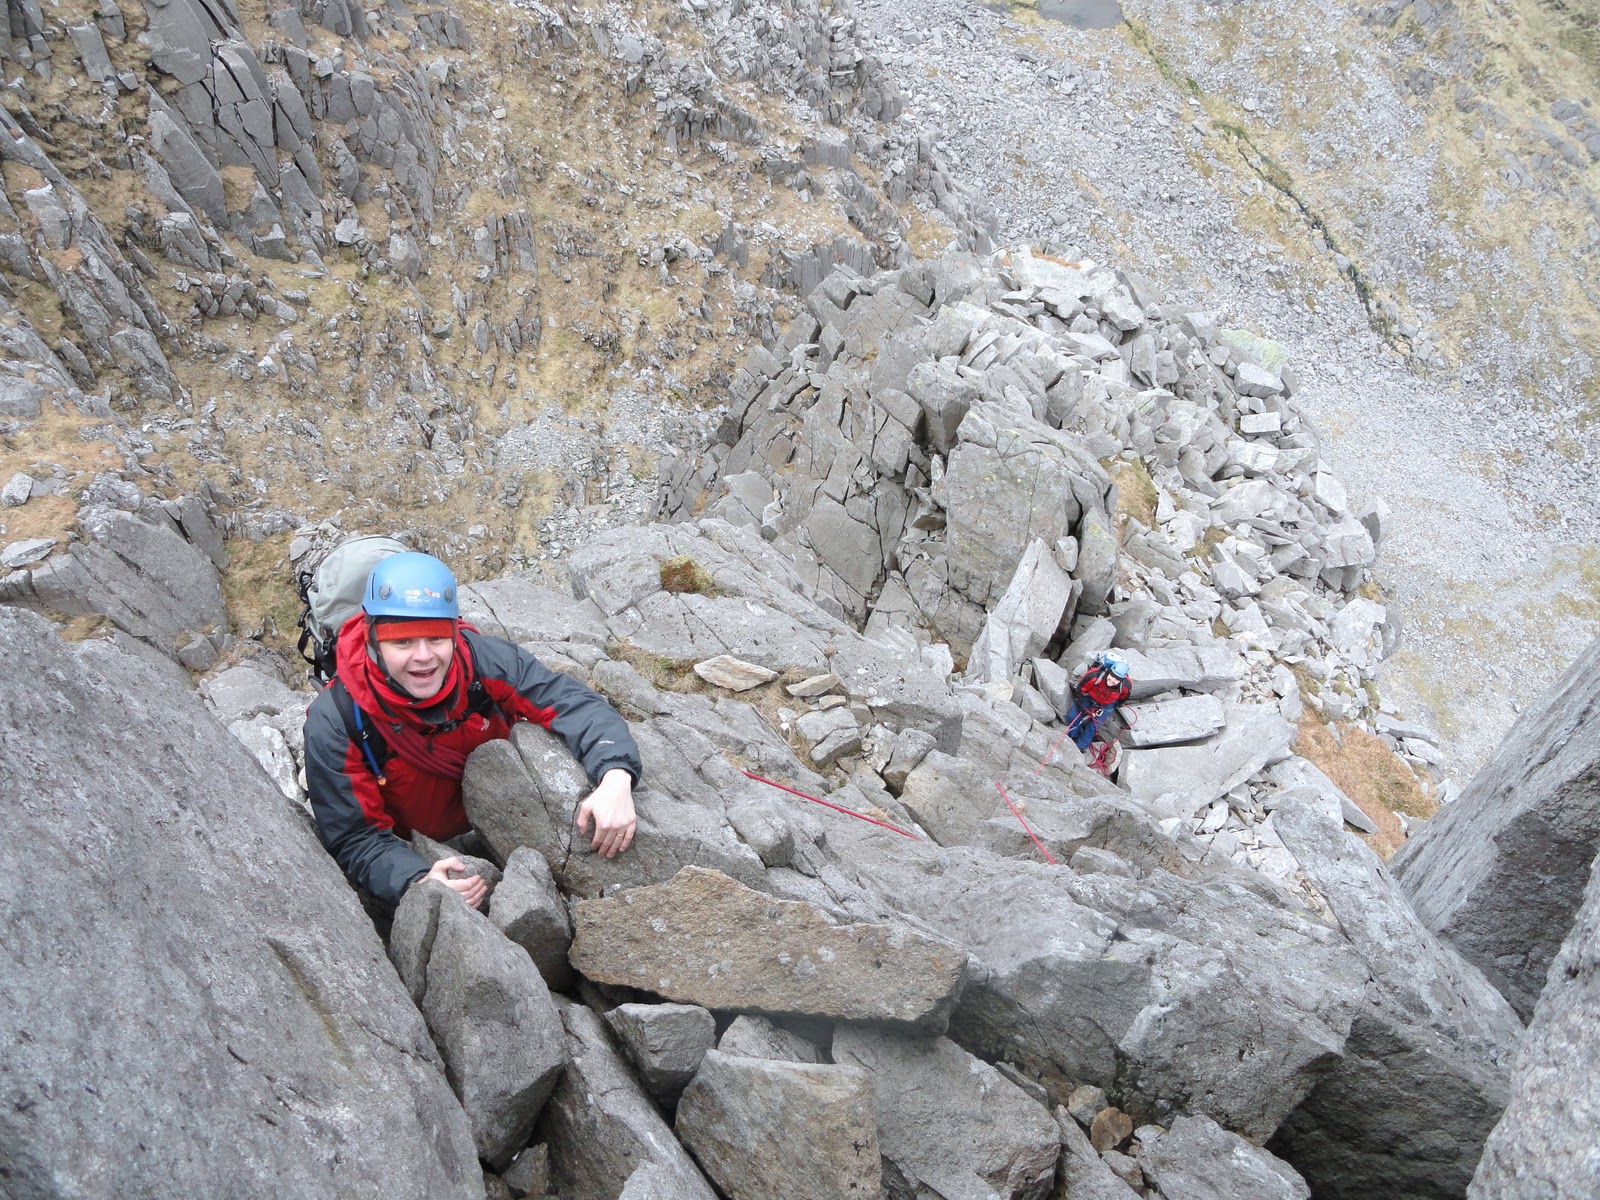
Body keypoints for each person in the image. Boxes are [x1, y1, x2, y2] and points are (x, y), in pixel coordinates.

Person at [304, 551, 642, 911]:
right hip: (415, 846)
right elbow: (354, 837)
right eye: (402, 641)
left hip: (509, 819)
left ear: (454, 633)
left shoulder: (481, 660)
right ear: (374, 641)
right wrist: (416, 879)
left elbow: (573, 703)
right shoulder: (336, 720)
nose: (423, 657)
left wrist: (616, 776)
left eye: (435, 638)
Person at [1063, 650, 1133, 752]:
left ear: (1122, 680)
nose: (1113, 680)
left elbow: (1124, 697)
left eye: (1117, 679)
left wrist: (1112, 706)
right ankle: (1073, 737)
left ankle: (1080, 747)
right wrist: (1081, 708)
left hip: (1107, 703)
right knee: (1072, 716)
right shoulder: (1094, 675)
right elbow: (1080, 690)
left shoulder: (1126, 685)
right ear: (1109, 672)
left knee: (1094, 725)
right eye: (1112, 676)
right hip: (1088, 697)